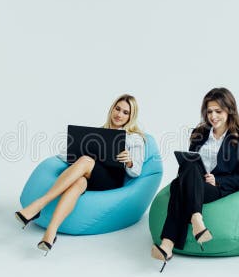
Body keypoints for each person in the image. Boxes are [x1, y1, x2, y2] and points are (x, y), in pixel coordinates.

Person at [16, 94, 146, 254]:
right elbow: (73, 155)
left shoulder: (135, 139)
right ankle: (51, 232)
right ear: (112, 109)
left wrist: (130, 161)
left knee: (86, 160)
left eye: (125, 112)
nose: (119, 114)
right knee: (78, 183)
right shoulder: (98, 132)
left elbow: (136, 172)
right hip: (90, 176)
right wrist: (71, 149)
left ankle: (38, 205)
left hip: (111, 179)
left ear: (131, 116)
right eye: (117, 109)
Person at [152, 87, 239, 271]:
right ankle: (196, 220)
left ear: (229, 110)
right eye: (209, 112)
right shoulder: (199, 133)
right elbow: (189, 165)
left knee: (178, 186)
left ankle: (167, 244)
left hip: (215, 187)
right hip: (195, 183)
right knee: (188, 167)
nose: (213, 116)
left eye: (218, 111)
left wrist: (219, 181)